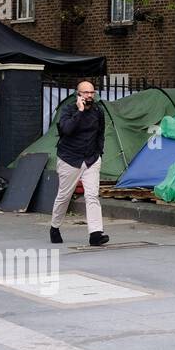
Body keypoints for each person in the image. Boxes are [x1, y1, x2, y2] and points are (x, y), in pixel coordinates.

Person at [50, 80, 108, 246]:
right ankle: (54, 227)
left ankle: (96, 233)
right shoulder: (69, 109)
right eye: (86, 92)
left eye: (92, 92)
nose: (89, 95)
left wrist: (99, 153)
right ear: (79, 94)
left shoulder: (98, 111)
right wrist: (80, 112)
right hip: (69, 158)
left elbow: (100, 133)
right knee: (64, 196)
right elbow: (66, 130)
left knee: (92, 195)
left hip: (91, 159)